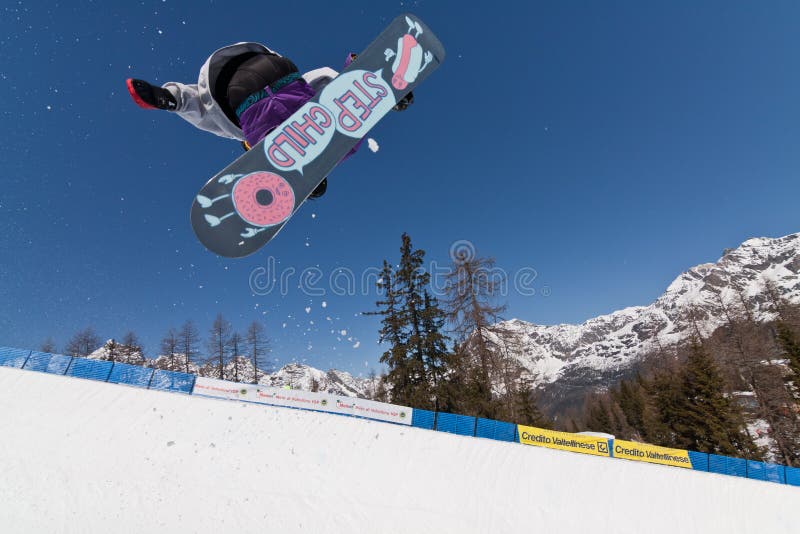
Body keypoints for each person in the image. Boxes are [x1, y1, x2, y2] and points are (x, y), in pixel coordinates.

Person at [126, 42, 413, 199]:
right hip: (270, 69)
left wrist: (168, 98)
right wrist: (367, 78)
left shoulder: (243, 131)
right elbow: (331, 86)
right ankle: (375, 83)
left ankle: (373, 84)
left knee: (342, 143)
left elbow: (197, 107)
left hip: (243, 85)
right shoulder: (310, 113)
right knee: (340, 139)